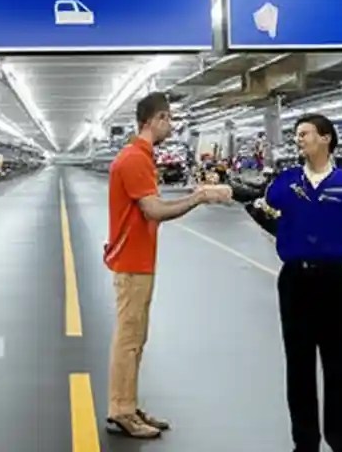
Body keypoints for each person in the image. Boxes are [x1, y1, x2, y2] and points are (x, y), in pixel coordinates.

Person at [233, 113, 342, 452]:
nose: (300, 139)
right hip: (295, 280)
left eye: (306, 133)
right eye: (297, 135)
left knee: (337, 364)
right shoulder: (285, 182)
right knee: (299, 365)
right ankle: (305, 442)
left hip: (333, 281)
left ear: (326, 138)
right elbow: (262, 210)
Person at [103, 91, 232, 439]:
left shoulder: (142, 156)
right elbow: (155, 210)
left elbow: (151, 205)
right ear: (155, 120)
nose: (171, 125)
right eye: (169, 118)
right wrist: (201, 197)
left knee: (136, 338)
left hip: (139, 259)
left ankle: (127, 403)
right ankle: (121, 410)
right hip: (132, 261)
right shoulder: (133, 159)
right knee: (129, 339)